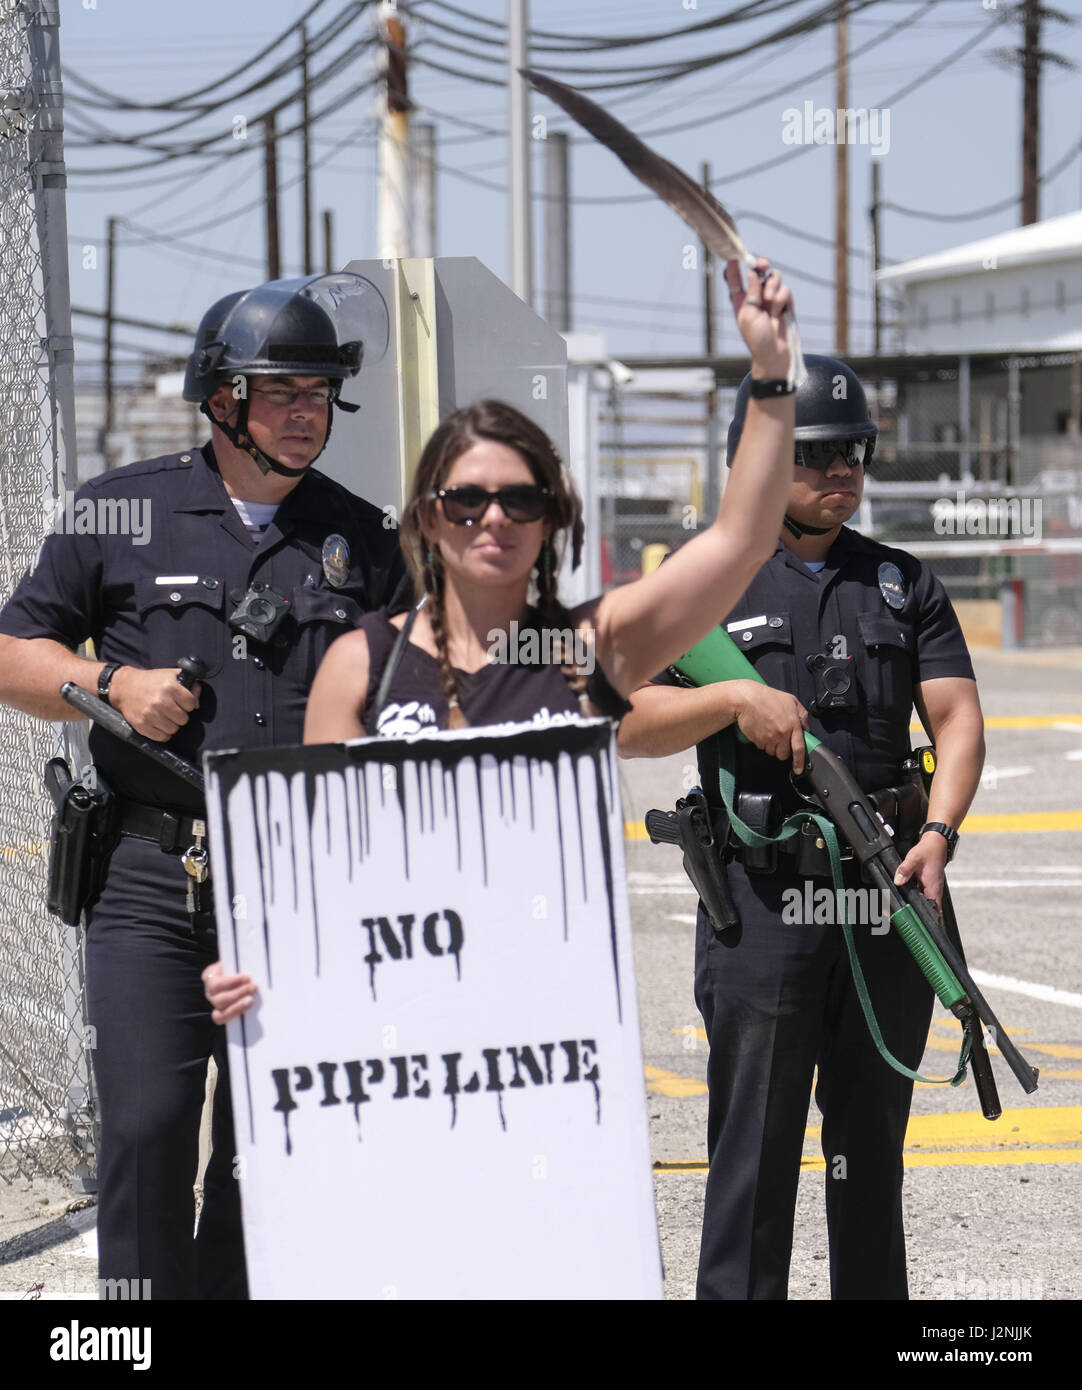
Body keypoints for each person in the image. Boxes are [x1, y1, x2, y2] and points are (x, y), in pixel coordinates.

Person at [203, 258, 798, 1027]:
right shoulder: (362, 665)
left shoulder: (590, 648)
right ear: (426, 514)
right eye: (466, 498)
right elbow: (316, 868)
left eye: (521, 498)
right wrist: (258, 966)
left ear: (552, 518)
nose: (494, 518)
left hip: (550, 1037)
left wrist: (773, 373)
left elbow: (742, 540)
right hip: (404, 1024)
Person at [0, 275, 407, 1300]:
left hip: (300, 881)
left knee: (266, 1139)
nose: (307, 412)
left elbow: (420, 693)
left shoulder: (362, 539)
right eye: (283, 392)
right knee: (142, 1128)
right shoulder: (119, 512)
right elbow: (11, 651)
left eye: (319, 393)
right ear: (221, 399)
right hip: (147, 877)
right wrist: (108, 684)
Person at [616, 354, 986, 1300]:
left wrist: (937, 836)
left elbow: (956, 718)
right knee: (753, 1164)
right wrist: (733, 697)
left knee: (870, 1159)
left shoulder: (904, 584)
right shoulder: (704, 586)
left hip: (885, 899)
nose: (842, 472)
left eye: (854, 452)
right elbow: (627, 722)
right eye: (817, 455)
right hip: (764, 905)